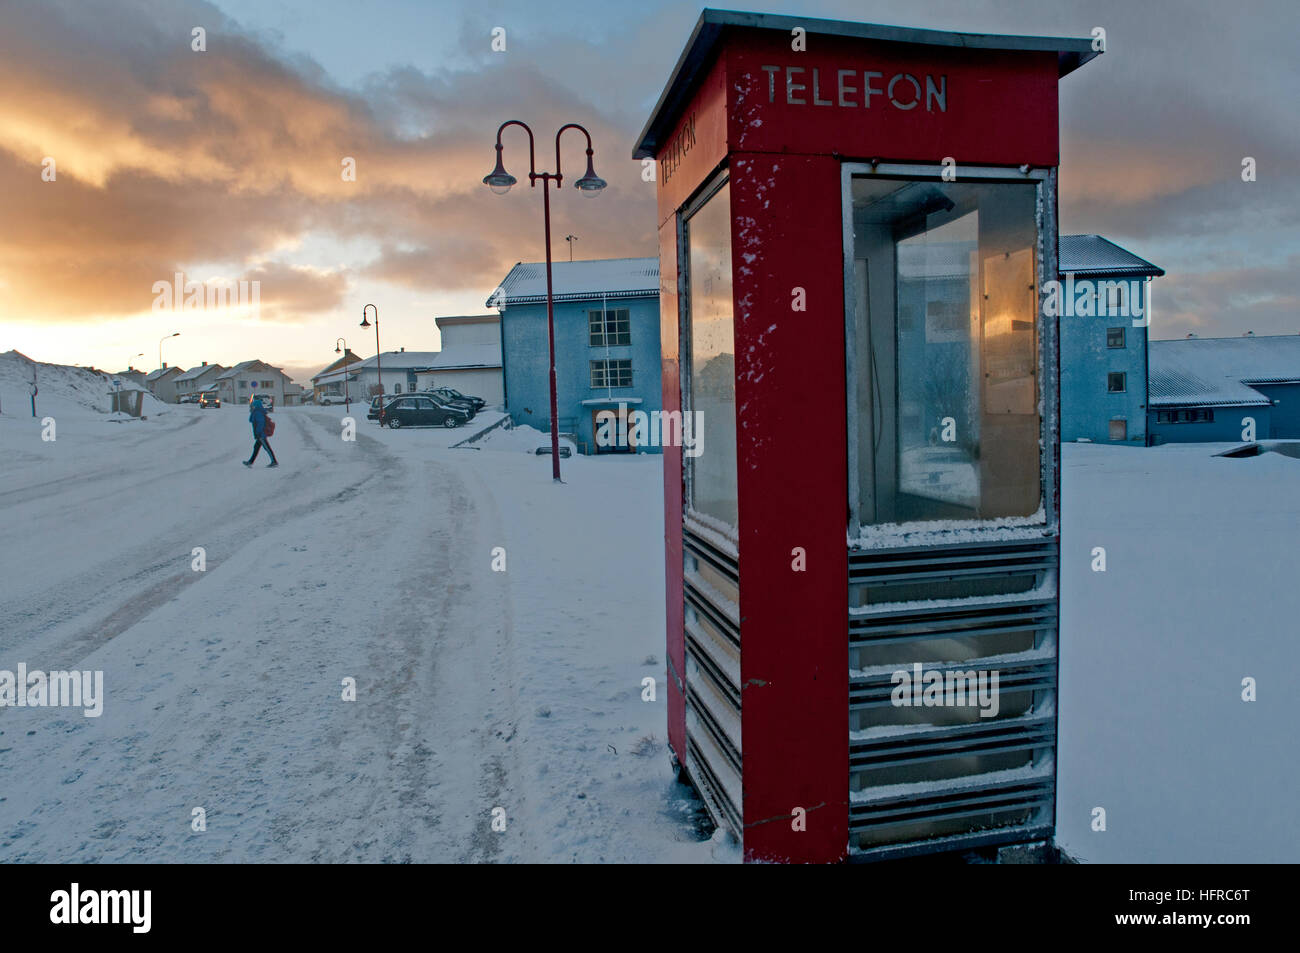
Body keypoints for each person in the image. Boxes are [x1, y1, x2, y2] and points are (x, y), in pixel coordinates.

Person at [243, 394, 278, 467]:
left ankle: (274, 462)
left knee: (267, 448)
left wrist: (258, 433)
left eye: (253, 406)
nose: (251, 407)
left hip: (261, 434)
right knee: (256, 447)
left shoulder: (258, 413)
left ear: (256, 406)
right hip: (259, 434)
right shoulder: (256, 412)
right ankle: (250, 462)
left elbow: (260, 423)